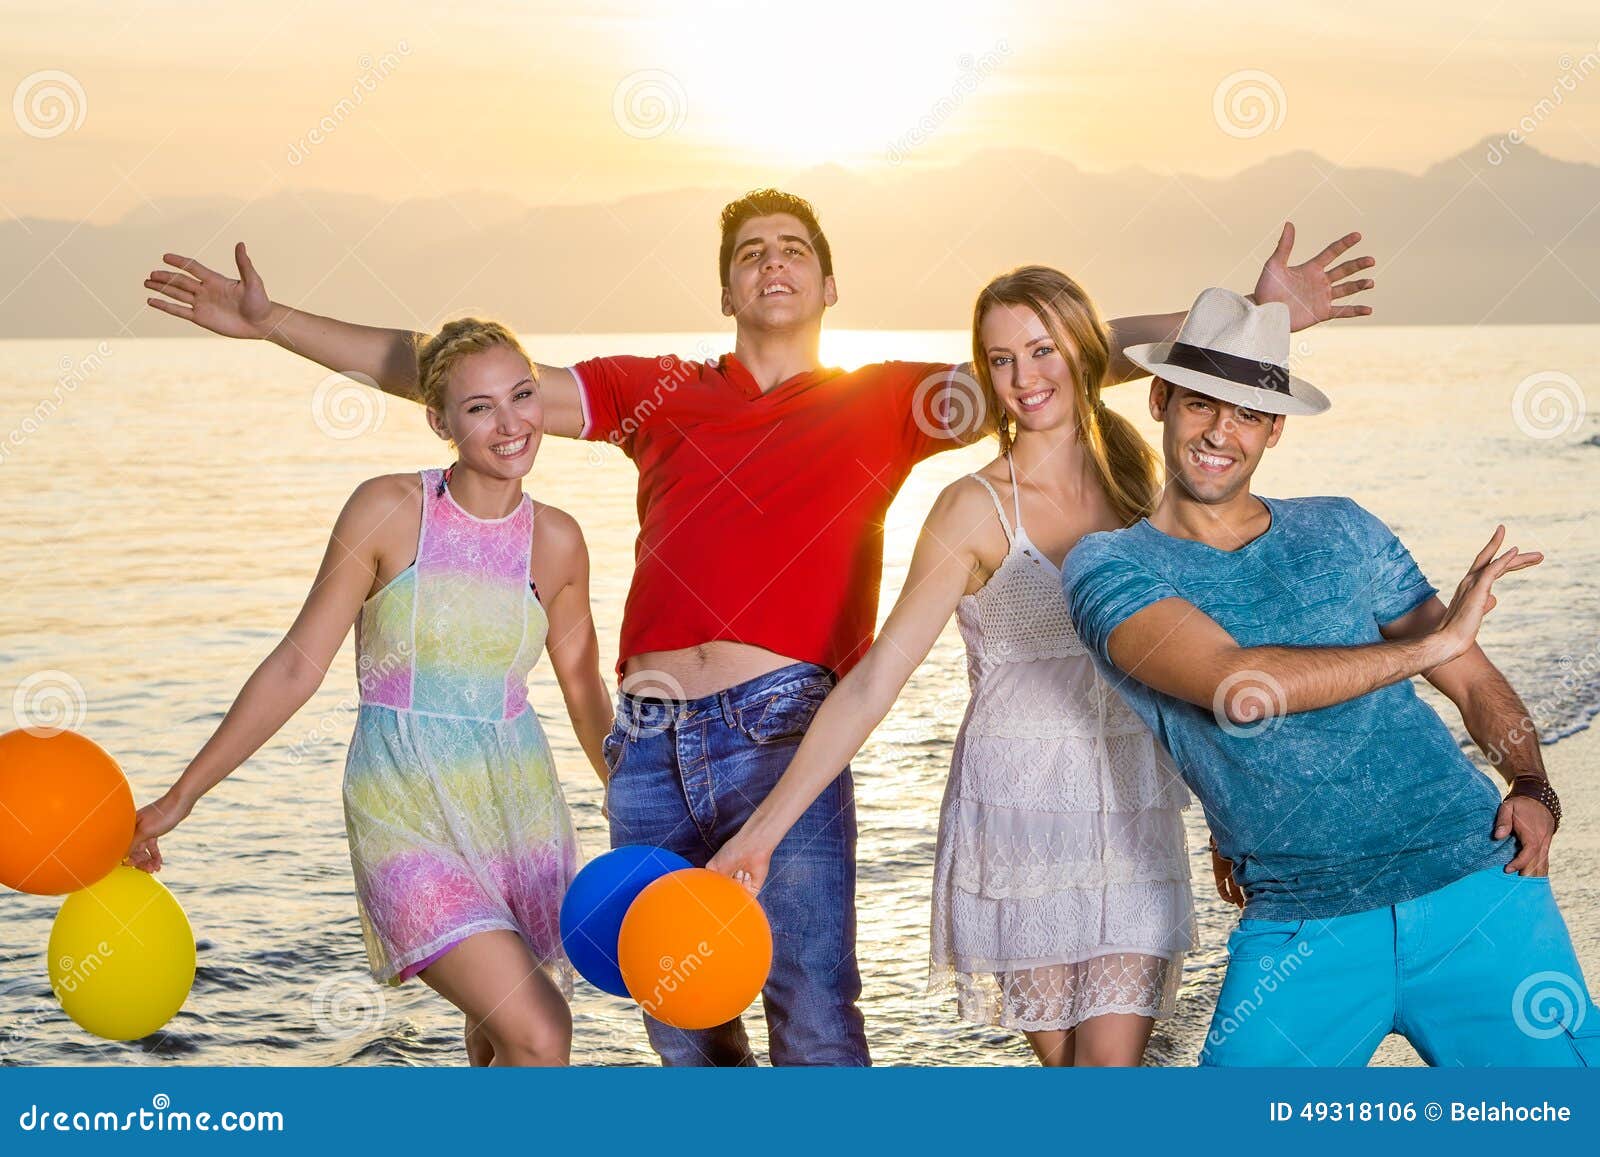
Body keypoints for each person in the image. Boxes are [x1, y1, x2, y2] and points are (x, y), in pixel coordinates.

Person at [143, 190, 1375, 1065]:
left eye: (795, 249)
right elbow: (462, 373)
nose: (772, 264)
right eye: (750, 250)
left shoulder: (889, 404)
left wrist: (1242, 333)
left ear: (828, 282)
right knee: (678, 1014)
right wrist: (279, 324)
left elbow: (1050, 360)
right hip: (646, 741)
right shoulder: (654, 393)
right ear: (726, 282)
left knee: (811, 1003)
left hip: (781, 726)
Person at [1061, 287, 1600, 1066]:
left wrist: (1532, 782)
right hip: (1302, 928)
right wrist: (1431, 645)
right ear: (1160, 399)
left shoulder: (1343, 525)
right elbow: (1234, 683)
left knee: (1565, 1124)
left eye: (1247, 413)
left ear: (1275, 428)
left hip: (1476, 888)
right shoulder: (1108, 566)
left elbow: (1475, 679)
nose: (1220, 431)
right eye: (1202, 403)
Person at [708, 266, 1204, 1066]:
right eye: (999, 360)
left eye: (1042, 350)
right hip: (1020, 820)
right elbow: (873, 682)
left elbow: (1184, 665)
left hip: (1132, 810)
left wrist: (1272, 308)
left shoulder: (1140, 485)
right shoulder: (970, 508)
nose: (1022, 378)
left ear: (1084, 350)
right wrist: (762, 835)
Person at [124, 319, 611, 1067]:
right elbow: (296, 664)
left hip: (518, 812)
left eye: (522, 395)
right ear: (438, 420)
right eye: (479, 406)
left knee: (498, 1040)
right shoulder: (387, 509)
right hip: (402, 811)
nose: (510, 422)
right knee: (540, 1030)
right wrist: (181, 796)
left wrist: (630, 794)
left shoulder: (559, 541)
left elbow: (583, 690)